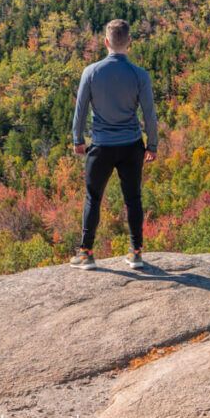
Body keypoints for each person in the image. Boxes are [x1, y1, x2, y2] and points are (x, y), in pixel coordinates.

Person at [69, 19, 158, 270]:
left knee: (93, 198)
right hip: (132, 146)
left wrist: (78, 139)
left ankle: (86, 253)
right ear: (129, 43)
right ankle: (136, 253)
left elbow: (80, 111)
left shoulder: (91, 72)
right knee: (133, 198)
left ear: (106, 42)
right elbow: (149, 115)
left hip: (101, 146)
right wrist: (152, 145)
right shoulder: (140, 75)